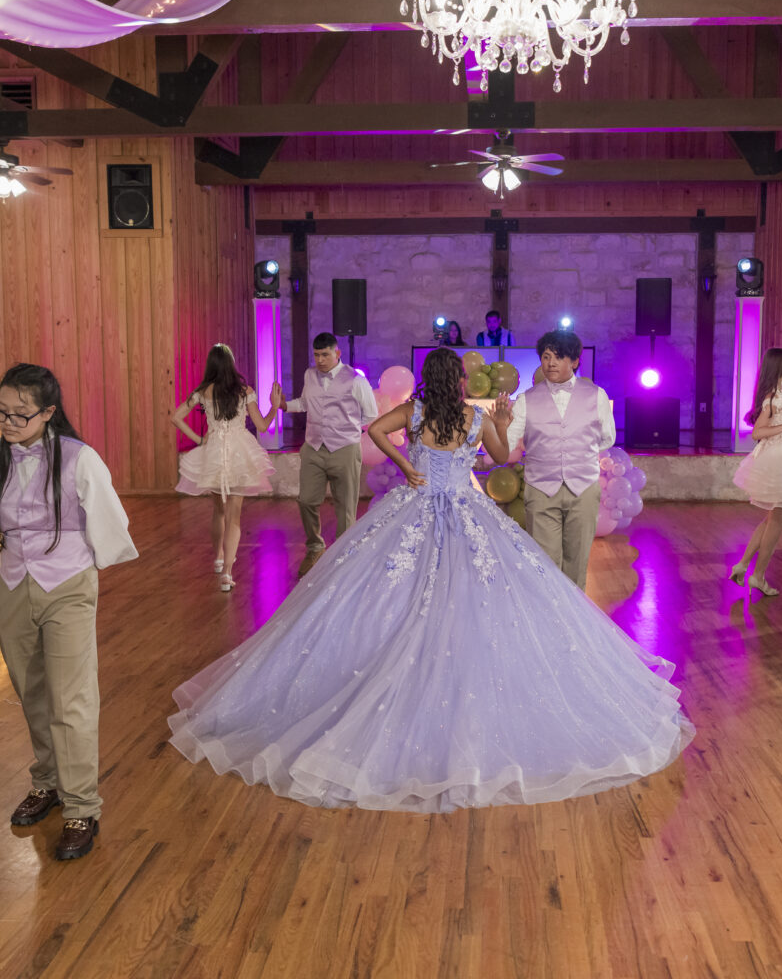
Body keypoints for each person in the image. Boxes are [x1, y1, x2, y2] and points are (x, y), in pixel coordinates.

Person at [167, 348, 694, 811]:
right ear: (459, 382)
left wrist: (404, 463)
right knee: (474, 593)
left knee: (381, 592)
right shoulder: (469, 415)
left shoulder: (414, 412)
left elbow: (373, 430)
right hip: (465, 509)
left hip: (414, 505)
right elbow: (503, 457)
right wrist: (503, 421)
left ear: (425, 376)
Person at [0, 364, 137, 863]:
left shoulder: (79, 458)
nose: (8, 421)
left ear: (47, 412)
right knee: (32, 692)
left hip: (67, 584)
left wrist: (84, 572)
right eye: (2, 411)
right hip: (15, 585)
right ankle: (48, 780)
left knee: (72, 698)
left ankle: (82, 806)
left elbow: (109, 521)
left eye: (21, 415)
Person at [495, 329, 616, 591]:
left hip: (583, 488)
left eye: (558, 357)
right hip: (541, 489)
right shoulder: (526, 399)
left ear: (574, 362)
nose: (550, 363)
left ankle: (573, 625)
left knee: (577, 562)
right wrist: (500, 425)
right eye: (546, 356)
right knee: (544, 564)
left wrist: (578, 450)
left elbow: (607, 438)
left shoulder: (597, 395)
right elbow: (508, 446)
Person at [271, 332, 378, 574]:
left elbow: (370, 415)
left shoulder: (355, 380)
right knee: (307, 499)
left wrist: (347, 429)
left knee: (345, 507)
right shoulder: (310, 375)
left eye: (325, 355)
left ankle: (343, 558)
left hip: (345, 448)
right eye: (317, 355)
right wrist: (285, 406)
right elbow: (306, 403)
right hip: (314, 447)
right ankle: (315, 547)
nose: (320, 360)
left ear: (337, 353)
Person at [171, 344, 275, 592]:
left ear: (211, 365)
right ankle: (227, 573)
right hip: (240, 452)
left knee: (218, 510)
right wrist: (274, 406)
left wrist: (198, 440)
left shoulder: (203, 391)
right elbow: (261, 426)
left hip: (215, 450)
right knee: (233, 516)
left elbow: (175, 417)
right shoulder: (244, 391)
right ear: (231, 364)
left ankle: (219, 556)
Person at [728, 348, 782, 597]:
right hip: (780, 459)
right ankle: (758, 576)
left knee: (773, 518)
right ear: (780, 367)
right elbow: (758, 433)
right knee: (777, 520)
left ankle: (743, 565)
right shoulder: (772, 397)